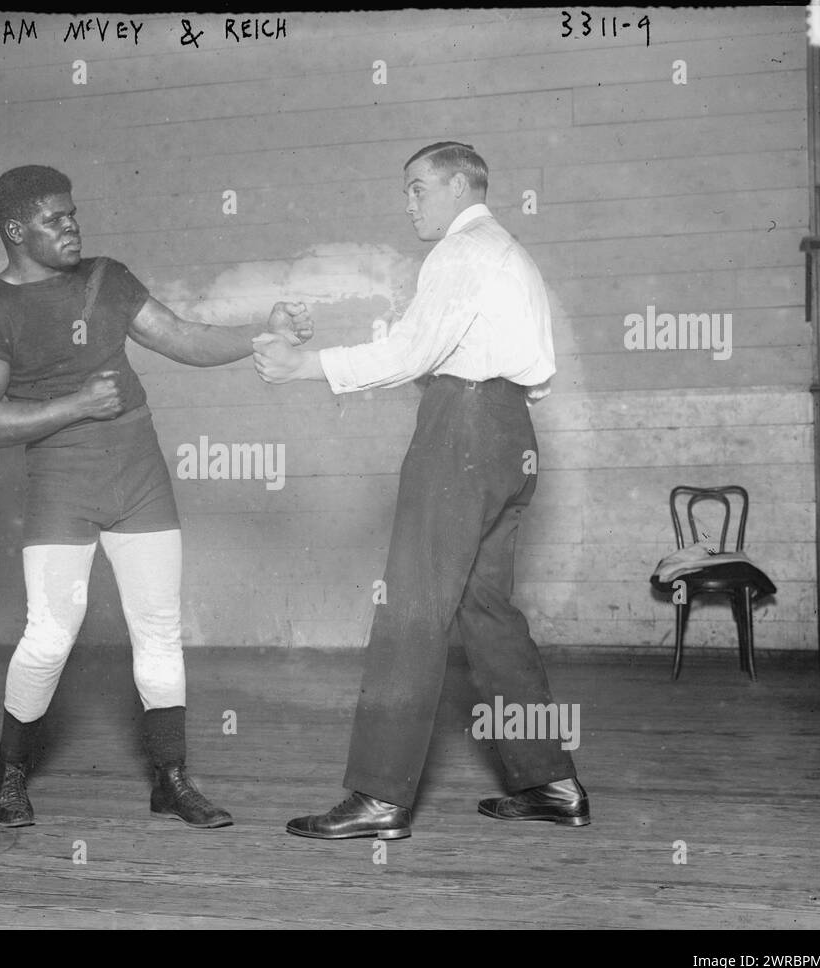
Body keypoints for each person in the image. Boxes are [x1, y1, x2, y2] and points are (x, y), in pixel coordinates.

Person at [0, 165, 312, 830]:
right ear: (14, 230)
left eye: (72, 213)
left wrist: (264, 332)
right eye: (53, 218)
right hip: (63, 483)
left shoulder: (105, 279)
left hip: (138, 474)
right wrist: (76, 403)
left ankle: (171, 779)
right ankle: (7, 775)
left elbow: (186, 338)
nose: (71, 225)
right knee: (51, 634)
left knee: (158, 630)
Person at [252, 141, 590, 839]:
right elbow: (508, 367)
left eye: (417, 188)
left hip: (461, 432)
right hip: (510, 431)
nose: (408, 203)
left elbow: (413, 353)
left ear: (460, 186)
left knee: (411, 606)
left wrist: (303, 365)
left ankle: (379, 796)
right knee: (487, 610)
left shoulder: (461, 252)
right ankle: (550, 782)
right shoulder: (508, 252)